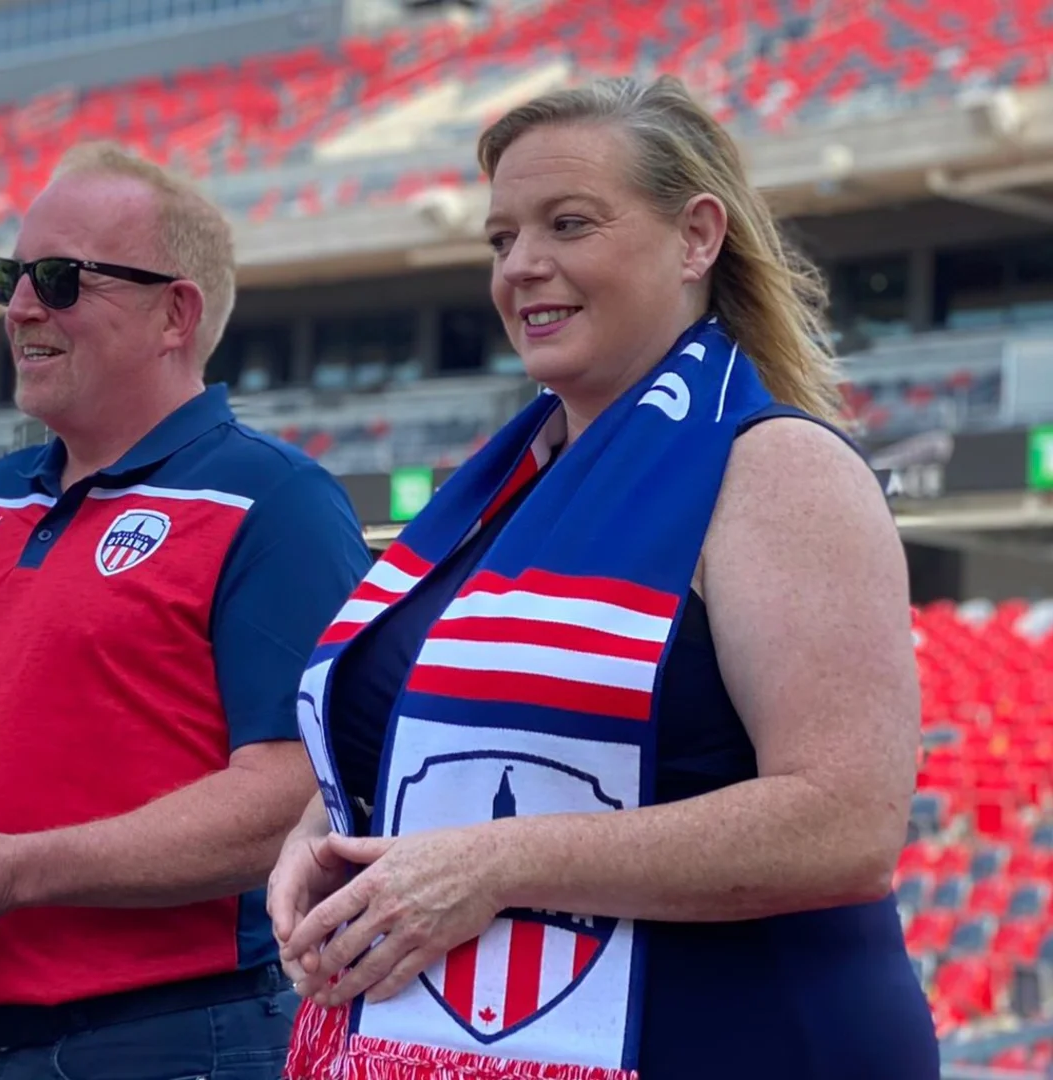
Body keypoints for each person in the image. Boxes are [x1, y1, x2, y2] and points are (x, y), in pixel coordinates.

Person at [272, 75, 937, 1080]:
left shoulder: (777, 469)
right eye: (502, 239)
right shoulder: (498, 491)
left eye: (568, 224)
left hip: (730, 1042)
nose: (522, 268)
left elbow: (845, 823)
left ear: (698, 237)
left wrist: (494, 864)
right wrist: (324, 831)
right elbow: (447, 723)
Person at [0, 141, 374, 1078]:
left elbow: (295, 798)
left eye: (59, 278)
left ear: (177, 312)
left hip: (171, 1040)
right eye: (13, 275)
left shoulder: (276, 500)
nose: (20, 306)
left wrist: (14, 870)